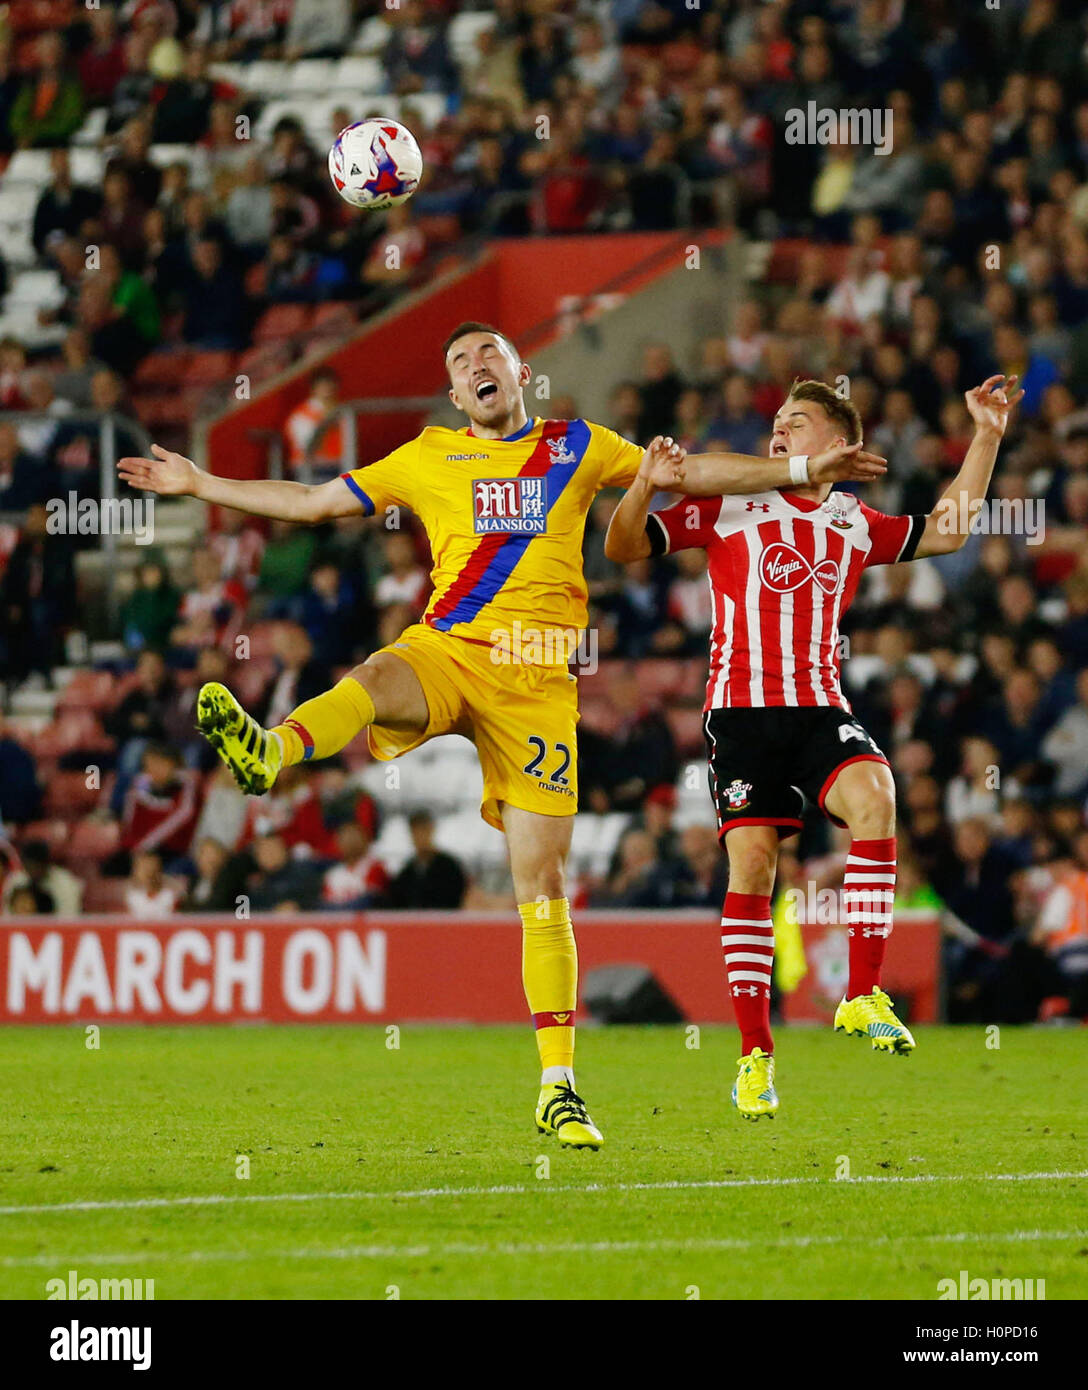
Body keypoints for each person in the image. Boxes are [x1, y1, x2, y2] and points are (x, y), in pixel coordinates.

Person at [119, 321, 883, 1149]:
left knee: (542, 885)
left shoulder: (580, 445)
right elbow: (310, 502)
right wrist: (201, 483)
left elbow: (691, 472)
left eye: (488, 353)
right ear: (453, 395)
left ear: (522, 371)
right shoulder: (427, 454)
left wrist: (806, 469)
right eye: (459, 363)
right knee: (376, 677)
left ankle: (558, 1086)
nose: (476, 366)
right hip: (450, 649)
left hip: (540, 692)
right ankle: (273, 750)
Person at [605, 373, 1023, 1119]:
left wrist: (987, 434)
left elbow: (951, 528)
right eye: (776, 421)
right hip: (739, 717)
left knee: (878, 797)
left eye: (795, 422)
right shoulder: (735, 500)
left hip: (818, 709)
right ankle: (755, 1057)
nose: (778, 431)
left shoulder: (852, 521)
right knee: (756, 867)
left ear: (839, 441)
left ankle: (862, 993)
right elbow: (625, 544)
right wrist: (641, 486)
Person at [388, 810, 466, 910]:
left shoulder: (450, 868)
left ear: (431, 830)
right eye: (416, 832)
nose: (420, 837)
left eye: (423, 830)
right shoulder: (406, 873)